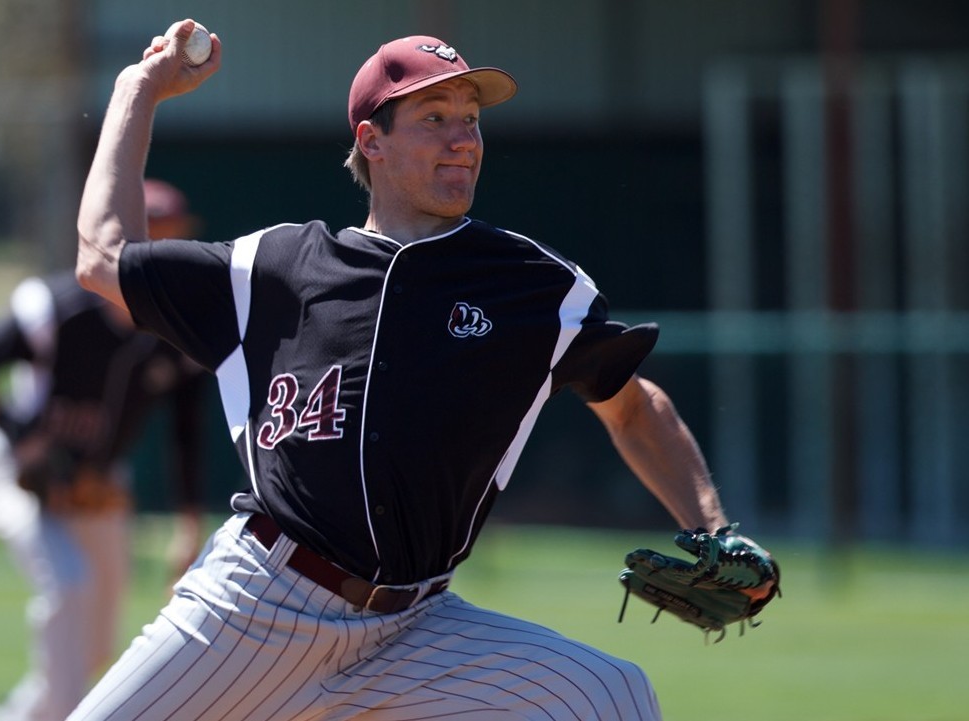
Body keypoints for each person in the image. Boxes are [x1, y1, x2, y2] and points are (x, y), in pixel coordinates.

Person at [67, 20, 761, 720]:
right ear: (372, 140)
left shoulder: (531, 286)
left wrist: (715, 529)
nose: (463, 138)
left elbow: (632, 407)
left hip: (416, 629)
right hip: (256, 606)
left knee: (608, 695)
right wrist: (138, 89)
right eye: (434, 118)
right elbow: (102, 257)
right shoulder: (272, 269)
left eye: (470, 119)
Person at [0, 179, 209, 721]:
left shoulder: (175, 327)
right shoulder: (57, 308)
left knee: (97, 645)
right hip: (16, 473)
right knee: (71, 589)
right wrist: (22, 438)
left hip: (101, 481)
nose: (170, 249)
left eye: (175, 236)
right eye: (160, 234)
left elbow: (186, 430)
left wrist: (188, 526)